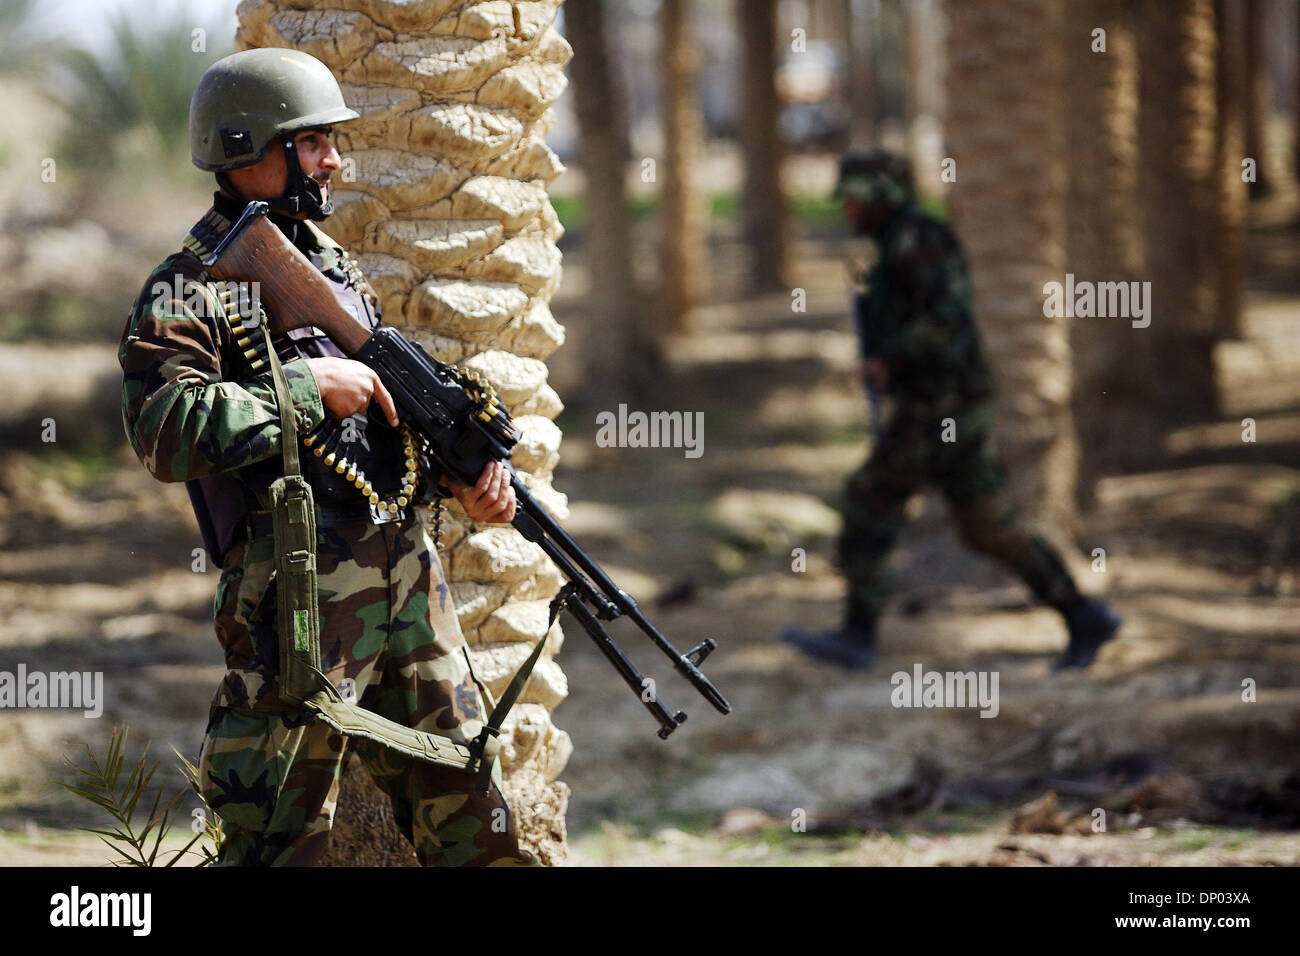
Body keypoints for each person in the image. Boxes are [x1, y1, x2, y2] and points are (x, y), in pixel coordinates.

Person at [119, 48, 534, 865]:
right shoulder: (188, 288)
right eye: (312, 143)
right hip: (296, 593)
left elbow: (377, 426)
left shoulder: (329, 270)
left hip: (405, 573)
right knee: (276, 831)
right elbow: (164, 430)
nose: (334, 159)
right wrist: (306, 387)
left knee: (471, 811)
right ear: (248, 148)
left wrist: (465, 480)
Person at [781, 149, 1121, 672]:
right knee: (986, 524)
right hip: (946, 403)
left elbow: (948, 319)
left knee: (871, 497)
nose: (847, 211)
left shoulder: (919, 239)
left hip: (942, 405)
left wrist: (891, 358)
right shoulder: (893, 244)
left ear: (879, 196)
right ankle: (1083, 616)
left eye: (853, 199)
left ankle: (857, 634)